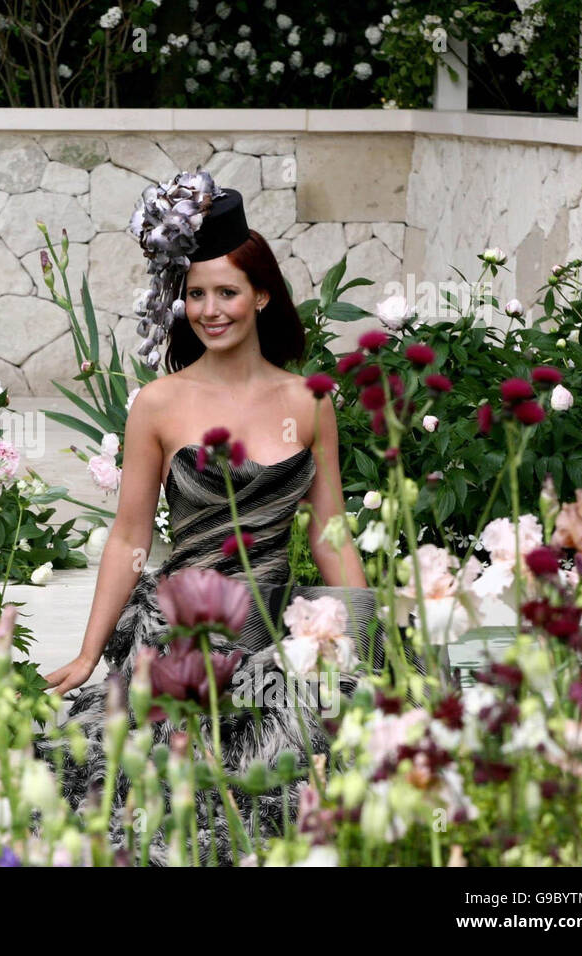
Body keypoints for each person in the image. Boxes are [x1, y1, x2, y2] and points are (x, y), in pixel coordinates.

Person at [36, 170, 436, 865]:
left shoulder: (309, 402)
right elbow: (131, 535)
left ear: (261, 295)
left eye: (226, 292)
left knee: (325, 771)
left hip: (279, 630)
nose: (209, 309)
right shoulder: (158, 404)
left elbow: (329, 534)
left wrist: (370, 643)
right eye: (195, 294)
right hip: (181, 633)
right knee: (157, 797)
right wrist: (91, 650)